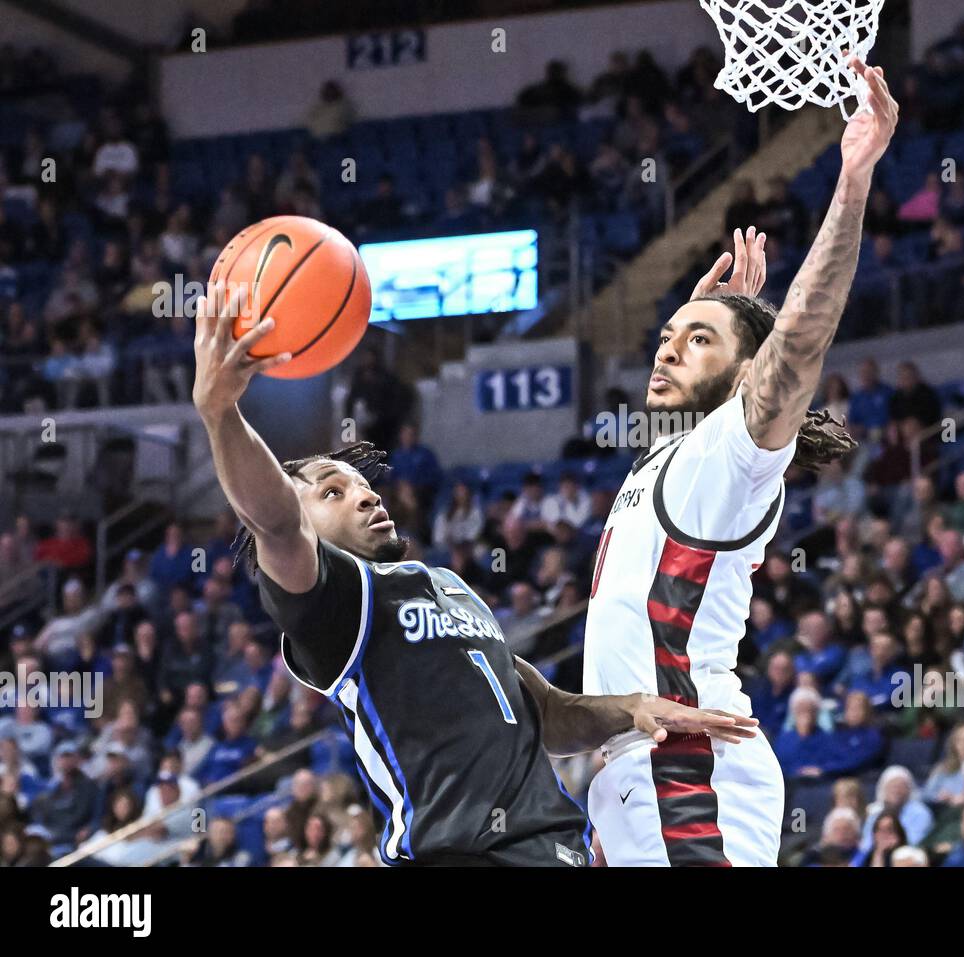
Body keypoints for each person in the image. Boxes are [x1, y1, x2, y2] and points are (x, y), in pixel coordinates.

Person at [190, 285, 753, 867]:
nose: (363, 496)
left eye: (363, 485)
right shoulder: (336, 607)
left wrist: (635, 706)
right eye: (332, 492)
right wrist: (221, 413)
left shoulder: (450, 588)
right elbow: (277, 522)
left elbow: (551, 715)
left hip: (554, 851)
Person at [581, 61, 897, 867]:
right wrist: (715, 314)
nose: (666, 347)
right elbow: (734, 360)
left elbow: (795, 344)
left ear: (745, 373)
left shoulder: (731, 453)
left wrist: (852, 184)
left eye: (694, 343)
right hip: (634, 768)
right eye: (663, 336)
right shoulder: (673, 456)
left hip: (688, 769)